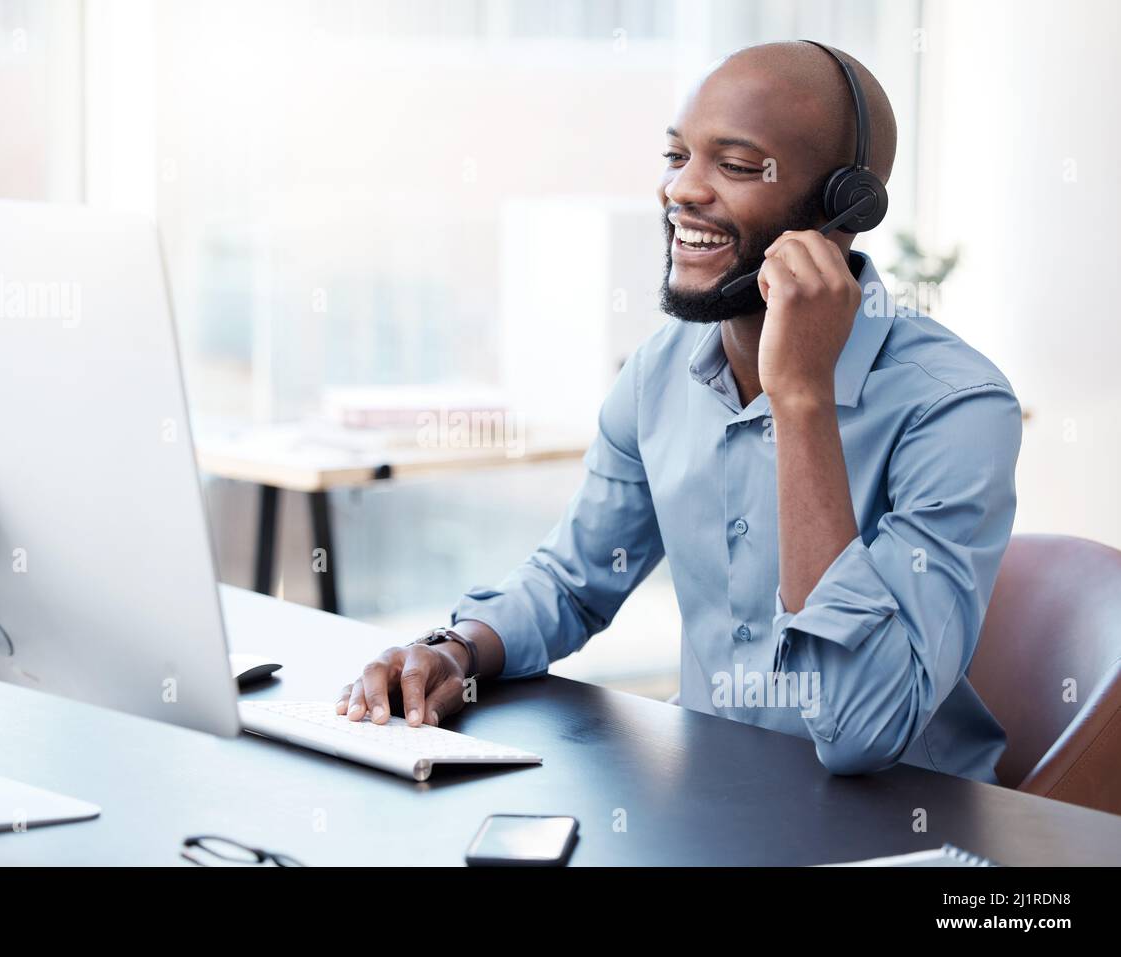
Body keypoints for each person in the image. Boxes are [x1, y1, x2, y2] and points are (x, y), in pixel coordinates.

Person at [336, 41, 1021, 782]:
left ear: (844, 206)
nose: (681, 191)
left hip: (909, 826)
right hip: (718, 800)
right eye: (676, 156)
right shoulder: (661, 372)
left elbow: (860, 728)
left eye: (732, 165)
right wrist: (455, 650)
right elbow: (574, 580)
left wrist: (800, 398)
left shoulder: (956, 408)